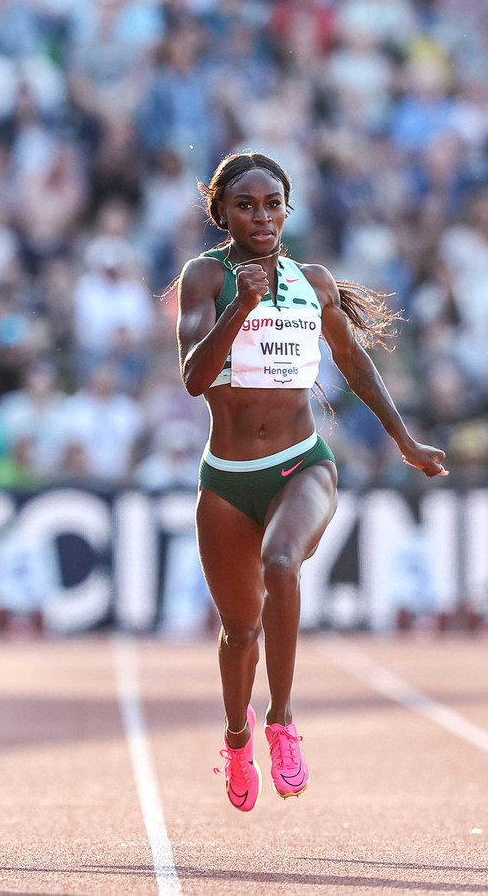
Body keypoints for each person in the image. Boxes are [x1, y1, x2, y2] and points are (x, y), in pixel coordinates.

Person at [173, 152, 446, 812]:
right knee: (239, 632)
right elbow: (192, 377)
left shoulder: (313, 281)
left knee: (281, 564)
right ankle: (237, 736)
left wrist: (403, 440)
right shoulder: (204, 277)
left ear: (286, 208)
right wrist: (237, 309)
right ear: (222, 214)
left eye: (272, 203)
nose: (261, 216)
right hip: (228, 479)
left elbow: (354, 366)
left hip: (303, 462)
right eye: (245, 205)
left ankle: (281, 721)